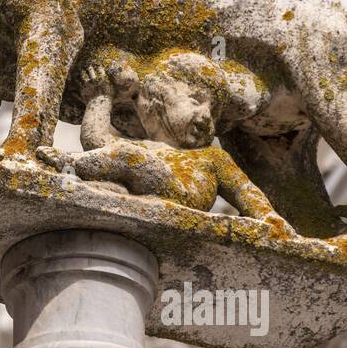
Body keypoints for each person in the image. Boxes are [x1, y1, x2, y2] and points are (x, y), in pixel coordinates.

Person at [37, 48, 292, 228]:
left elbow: (244, 191)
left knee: (130, 158)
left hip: (183, 193)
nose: (206, 117)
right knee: (112, 187)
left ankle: (70, 164)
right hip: (150, 196)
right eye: (196, 101)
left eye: (214, 114)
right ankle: (92, 184)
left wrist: (269, 217)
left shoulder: (211, 156)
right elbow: (97, 141)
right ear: (161, 95)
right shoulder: (144, 147)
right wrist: (100, 97)